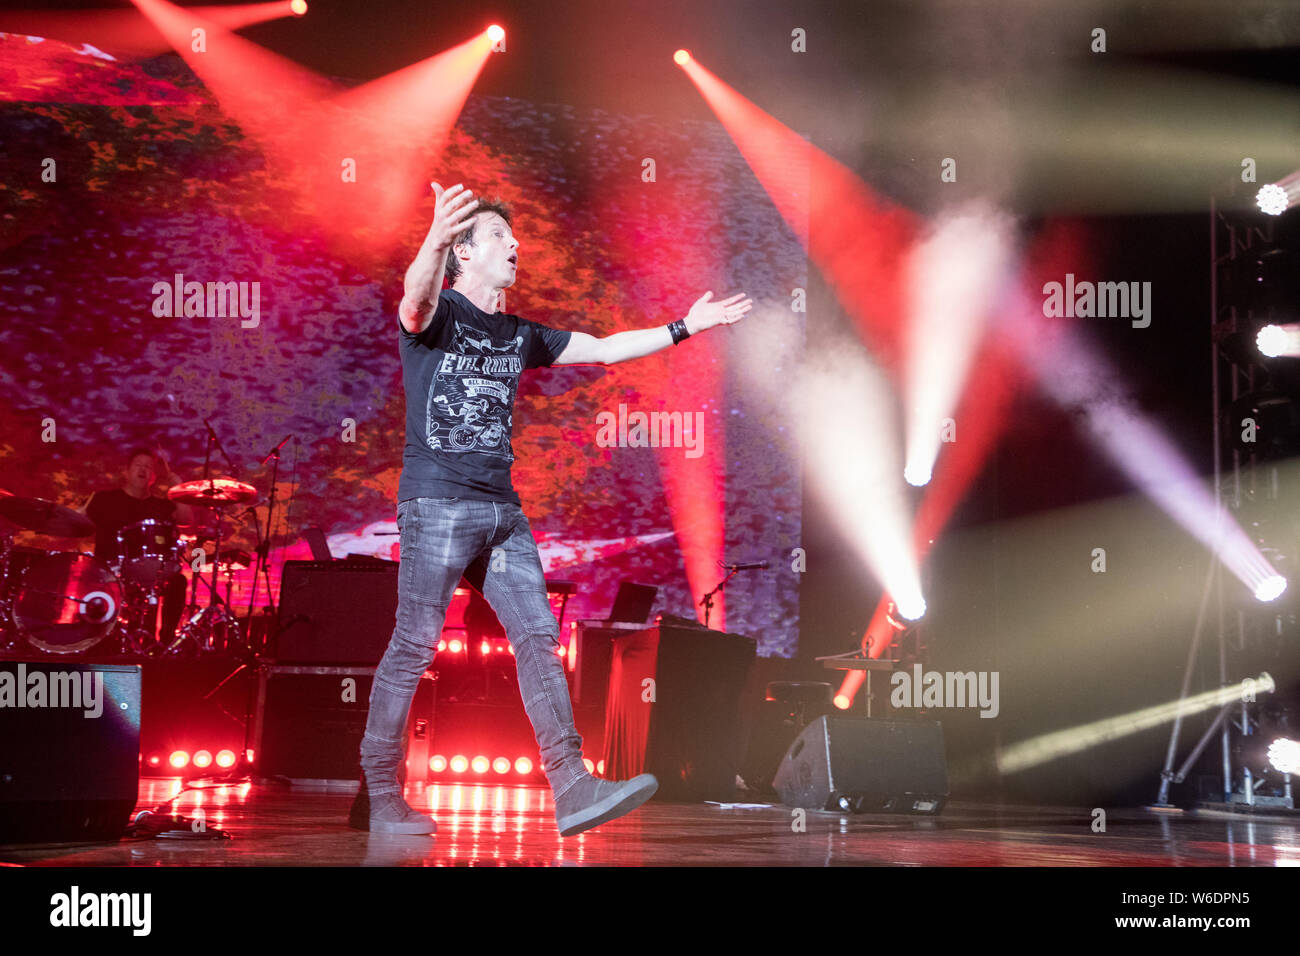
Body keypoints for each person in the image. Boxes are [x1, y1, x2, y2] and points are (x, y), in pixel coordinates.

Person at [356, 182, 752, 836]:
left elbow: (603, 348)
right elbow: (414, 298)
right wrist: (433, 238)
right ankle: (380, 794)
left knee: (539, 637)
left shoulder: (520, 335)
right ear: (463, 252)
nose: (515, 244)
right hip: (437, 504)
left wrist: (686, 327)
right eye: (499, 236)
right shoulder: (438, 315)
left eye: (513, 236)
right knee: (414, 645)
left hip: (501, 513)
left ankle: (571, 785)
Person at [85, 448, 193, 645]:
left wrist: (179, 489)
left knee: (177, 581)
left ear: (153, 477)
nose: (143, 470)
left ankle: (165, 643)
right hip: (110, 569)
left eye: (148, 467)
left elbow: (185, 520)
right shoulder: (104, 500)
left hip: (150, 572)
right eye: (138, 465)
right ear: (126, 471)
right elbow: (76, 521)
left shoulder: (160, 506)